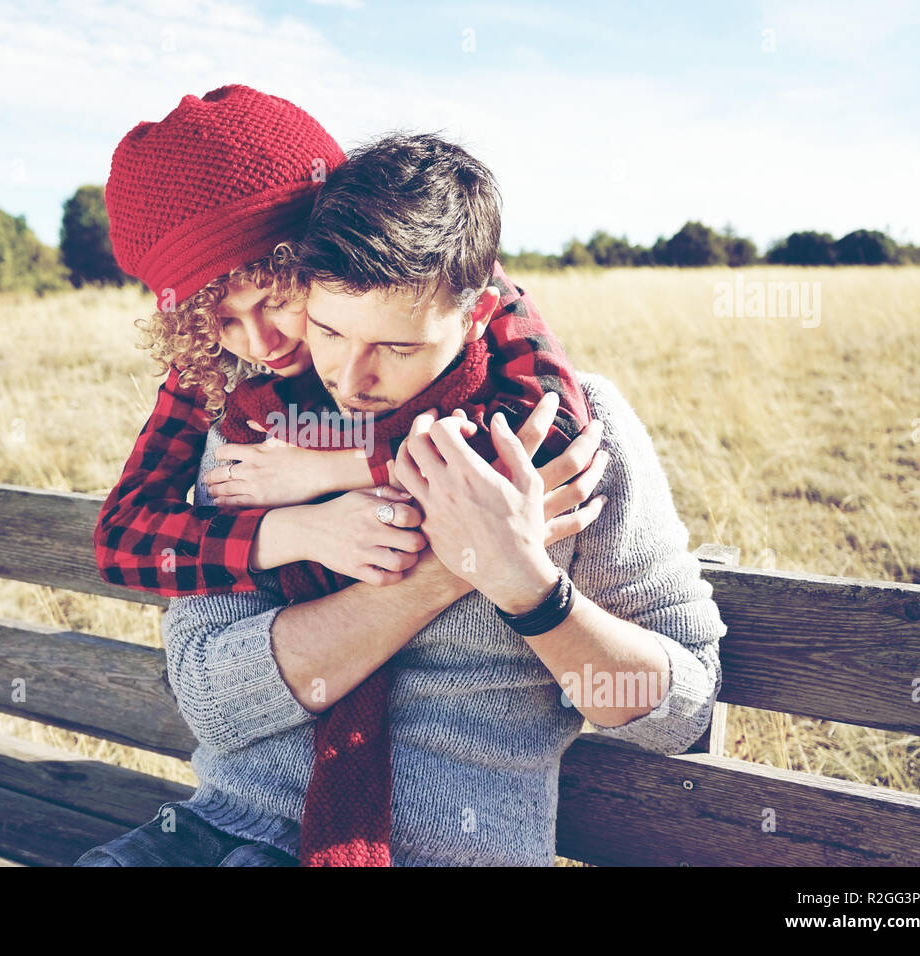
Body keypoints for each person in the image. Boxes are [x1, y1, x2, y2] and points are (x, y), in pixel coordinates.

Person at [77, 132, 726, 867]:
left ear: (478, 313)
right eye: (327, 330)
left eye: (397, 348)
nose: (350, 379)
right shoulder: (254, 432)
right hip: (226, 826)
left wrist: (529, 589)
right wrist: (443, 572)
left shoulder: (563, 435)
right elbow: (210, 699)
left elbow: (679, 713)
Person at [92, 84, 604, 604]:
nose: (260, 343)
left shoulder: (436, 284)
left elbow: (551, 424)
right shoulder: (213, 361)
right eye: (224, 321)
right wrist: (301, 530)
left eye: (277, 299)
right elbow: (122, 538)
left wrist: (334, 469)